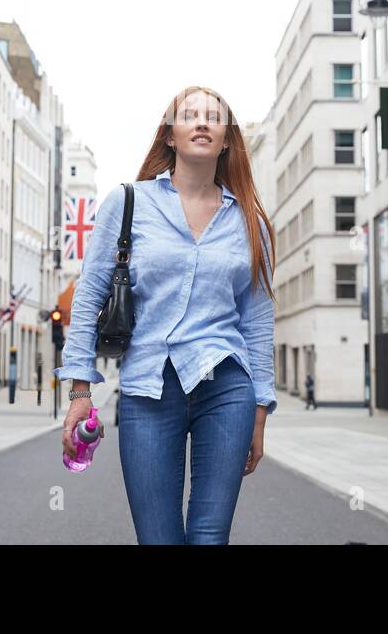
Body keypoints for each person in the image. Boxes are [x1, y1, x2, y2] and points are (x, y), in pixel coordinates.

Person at [57, 85, 277, 544]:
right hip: (148, 387)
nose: (202, 121)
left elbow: (256, 321)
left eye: (213, 116)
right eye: (190, 114)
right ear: (170, 136)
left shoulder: (250, 222)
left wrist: (260, 409)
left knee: (209, 538)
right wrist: (80, 390)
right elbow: (88, 297)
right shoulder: (127, 204)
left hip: (227, 387)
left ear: (227, 139)